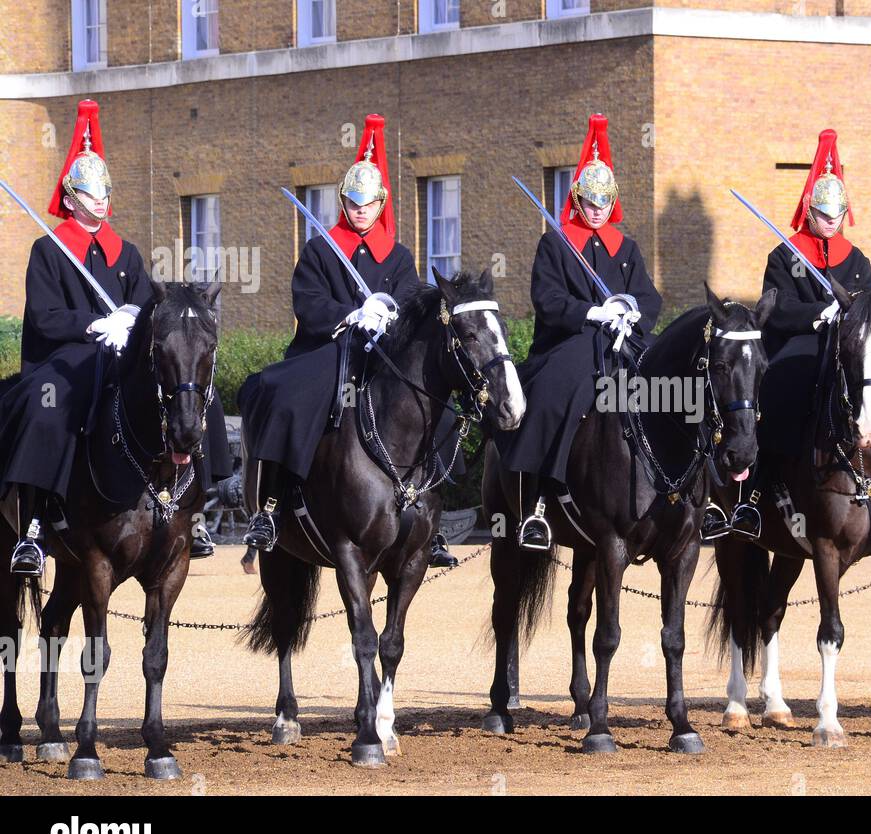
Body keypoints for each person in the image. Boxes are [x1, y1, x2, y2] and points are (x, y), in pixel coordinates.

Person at [0, 100, 227, 574]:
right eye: (90, 193)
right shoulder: (49, 250)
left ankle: (199, 505)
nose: (100, 200)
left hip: (120, 356)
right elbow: (43, 316)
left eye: (104, 192)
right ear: (71, 196)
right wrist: (92, 325)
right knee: (45, 411)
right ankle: (34, 527)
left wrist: (133, 316)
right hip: (68, 358)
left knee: (195, 395)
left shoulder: (125, 252)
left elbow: (151, 307)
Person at [238, 114, 458, 563]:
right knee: (283, 396)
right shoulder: (320, 248)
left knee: (444, 410)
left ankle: (432, 517)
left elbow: (413, 305)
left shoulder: (398, 257)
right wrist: (351, 314)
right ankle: (270, 507)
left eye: (368, 204)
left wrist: (389, 316)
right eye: (352, 203)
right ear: (343, 202)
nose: (360, 210)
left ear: (381, 205)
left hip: (383, 356)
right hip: (331, 349)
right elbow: (307, 302)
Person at [729, 129, 871, 542]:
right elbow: (774, 309)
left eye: (836, 215)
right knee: (779, 384)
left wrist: (854, 313)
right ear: (809, 211)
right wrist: (821, 312)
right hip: (804, 342)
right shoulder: (784, 254)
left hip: (849, 344)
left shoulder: (857, 258)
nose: (830, 222)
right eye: (823, 214)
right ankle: (752, 493)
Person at [493, 113, 662, 551]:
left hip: (623, 342)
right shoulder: (555, 243)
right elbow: (547, 301)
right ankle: (536, 503)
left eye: (604, 203)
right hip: (569, 342)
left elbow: (651, 298)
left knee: (676, 384)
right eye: (590, 202)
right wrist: (592, 313)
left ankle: (689, 489)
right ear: (578, 199)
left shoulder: (627, 249)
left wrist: (631, 310)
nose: (597, 210)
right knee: (554, 390)